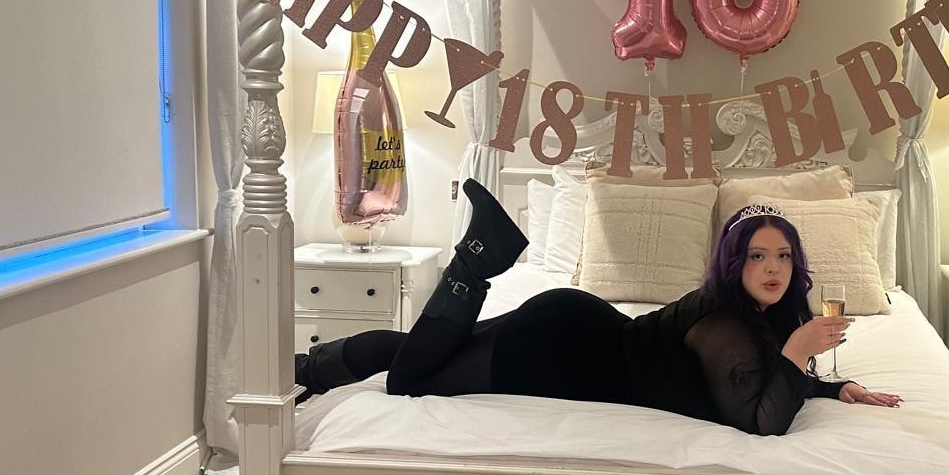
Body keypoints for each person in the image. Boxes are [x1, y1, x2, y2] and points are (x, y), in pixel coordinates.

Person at [295, 180, 902, 436]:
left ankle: (305, 369)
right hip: (564, 353)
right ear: (733, 263)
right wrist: (799, 355)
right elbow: (760, 420)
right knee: (410, 379)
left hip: (573, 329)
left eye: (784, 257)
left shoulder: (757, 318)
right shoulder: (725, 323)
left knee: (421, 353)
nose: (773, 269)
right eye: (757, 256)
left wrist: (832, 386)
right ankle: (476, 262)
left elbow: (761, 372)